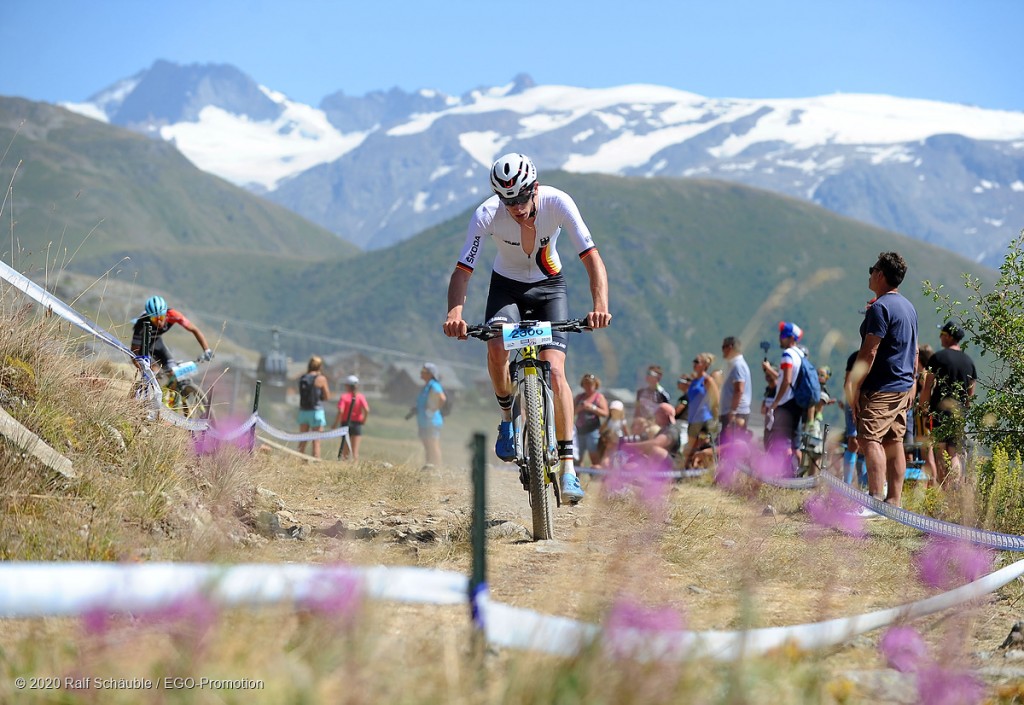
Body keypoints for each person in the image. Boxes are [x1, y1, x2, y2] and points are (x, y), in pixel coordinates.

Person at [442, 153, 611, 504]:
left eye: (520, 198)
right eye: (508, 200)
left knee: (557, 373)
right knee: (495, 347)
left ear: (534, 188)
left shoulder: (558, 202)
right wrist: (455, 313)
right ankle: (508, 419)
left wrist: (600, 307)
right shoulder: (486, 214)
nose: (515, 207)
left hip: (551, 287)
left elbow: (592, 257)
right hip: (506, 288)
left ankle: (568, 468)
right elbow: (463, 269)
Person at [849, 252, 919, 511]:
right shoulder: (909, 307)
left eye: (872, 269)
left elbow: (869, 352)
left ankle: (875, 500)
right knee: (893, 441)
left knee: (869, 439)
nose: (870, 274)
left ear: (880, 274)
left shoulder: (880, 307)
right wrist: (912, 382)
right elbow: (915, 350)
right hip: (902, 386)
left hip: (882, 386)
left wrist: (854, 386)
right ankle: (894, 502)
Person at [918, 322, 976, 487]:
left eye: (942, 333)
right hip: (959, 414)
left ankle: (944, 491)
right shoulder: (968, 362)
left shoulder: (938, 358)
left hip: (940, 412)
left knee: (941, 451)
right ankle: (954, 489)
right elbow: (970, 393)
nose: (940, 337)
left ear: (949, 336)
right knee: (954, 454)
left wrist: (923, 409)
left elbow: (927, 386)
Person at [130, 295, 213, 370]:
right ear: (149, 316)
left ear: (166, 314)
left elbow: (195, 330)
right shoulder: (141, 323)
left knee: (173, 370)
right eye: (155, 319)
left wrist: (207, 350)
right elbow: (134, 351)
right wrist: (142, 369)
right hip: (143, 345)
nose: (159, 322)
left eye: (161, 317)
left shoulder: (173, 315)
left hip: (156, 342)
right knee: (153, 370)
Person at [764, 321, 806, 465]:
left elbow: (786, 380)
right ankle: (796, 474)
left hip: (786, 403)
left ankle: (786, 473)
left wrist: (776, 403)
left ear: (791, 338)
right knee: (795, 443)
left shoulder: (787, 354)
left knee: (784, 441)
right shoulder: (800, 354)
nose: (780, 338)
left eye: (783, 335)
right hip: (797, 402)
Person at [681, 352, 719, 469]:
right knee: (690, 448)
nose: (694, 364)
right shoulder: (693, 381)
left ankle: (710, 470)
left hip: (704, 419)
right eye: (694, 361)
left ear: (704, 365)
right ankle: (687, 472)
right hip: (693, 419)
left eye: (697, 362)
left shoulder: (707, 380)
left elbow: (716, 400)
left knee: (706, 445)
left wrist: (716, 420)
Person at [619, 402, 682, 469]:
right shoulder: (664, 429)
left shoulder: (672, 430)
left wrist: (631, 446)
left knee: (657, 451)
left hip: (669, 468)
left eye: (657, 413)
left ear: (663, 415)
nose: (655, 415)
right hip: (659, 464)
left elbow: (656, 443)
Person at [297, 355, 331, 459]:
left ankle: (299, 461)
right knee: (316, 441)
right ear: (320, 366)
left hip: (303, 412)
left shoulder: (303, 378)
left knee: (302, 439)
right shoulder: (321, 379)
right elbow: (327, 396)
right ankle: (315, 463)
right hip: (316, 412)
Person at [718, 336, 752, 440]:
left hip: (736, 413)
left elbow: (739, 389)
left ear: (730, 347)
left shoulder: (738, 365)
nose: (722, 350)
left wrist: (732, 411)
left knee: (730, 445)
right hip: (731, 412)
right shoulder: (735, 365)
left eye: (723, 347)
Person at [414, 363, 447, 468]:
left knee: (433, 444)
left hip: (432, 421)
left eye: (423, 371)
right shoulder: (426, 386)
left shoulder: (434, 385)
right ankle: (429, 466)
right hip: (424, 421)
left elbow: (442, 398)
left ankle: (437, 467)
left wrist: (434, 409)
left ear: (430, 374)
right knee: (427, 445)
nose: (421, 373)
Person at [573, 373, 608, 467]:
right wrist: (579, 409)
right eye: (586, 384)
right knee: (577, 456)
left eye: (590, 384)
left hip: (593, 430)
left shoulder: (599, 397)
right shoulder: (579, 397)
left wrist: (592, 408)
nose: (588, 387)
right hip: (579, 430)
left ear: (595, 385)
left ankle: (595, 477)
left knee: (594, 456)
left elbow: (605, 413)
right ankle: (578, 476)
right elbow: (571, 412)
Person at [334, 374, 370, 461]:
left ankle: (343, 468)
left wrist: (335, 424)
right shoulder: (360, 397)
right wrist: (364, 420)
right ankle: (355, 469)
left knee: (345, 451)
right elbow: (366, 410)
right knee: (355, 451)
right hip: (357, 424)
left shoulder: (344, 397)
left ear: (347, 386)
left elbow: (341, 411)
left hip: (346, 424)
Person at [597, 399, 628, 465]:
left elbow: (625, 430)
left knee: (616, 453)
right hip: (609, 439)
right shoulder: (609, 420)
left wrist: (627, 439)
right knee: (607, 452)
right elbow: (602, 428)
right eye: (613, 410)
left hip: (618, 440)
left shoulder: (622, 421)